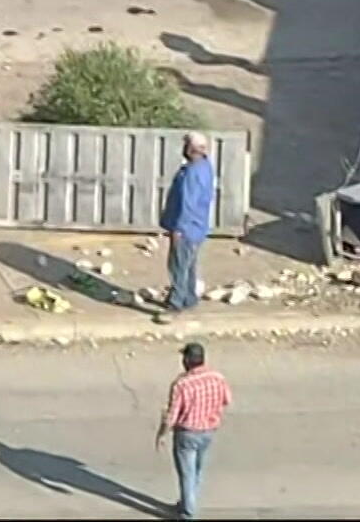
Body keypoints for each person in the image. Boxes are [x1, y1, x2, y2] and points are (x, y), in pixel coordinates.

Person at [156, 341, 231, 521]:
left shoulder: (182, 384)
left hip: (187, 432)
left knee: (186, 472)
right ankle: (188, 501)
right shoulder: (217, 377)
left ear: (188, 360)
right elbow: (226, 400)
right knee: (197, 469)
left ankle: (187, 511)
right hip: (208, 431)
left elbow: (172, 413)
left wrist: (162, 434)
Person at [154, 133, 216, 325]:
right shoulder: (204, 167)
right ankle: (189, 298)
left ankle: (175, 304)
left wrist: (178, 229)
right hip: (197, 226)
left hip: (187, 227)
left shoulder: (192, 173)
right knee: (188, 265)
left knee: (178, 266)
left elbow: (187, 204)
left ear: (191, 149)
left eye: (186, 144)